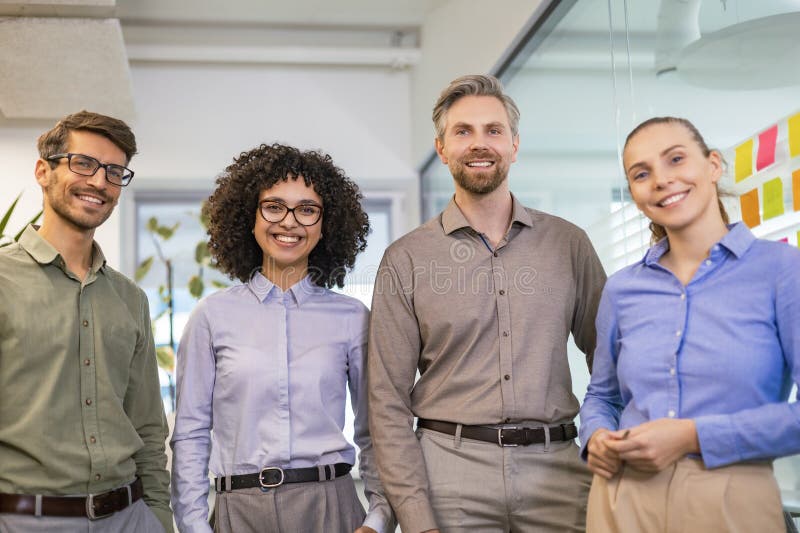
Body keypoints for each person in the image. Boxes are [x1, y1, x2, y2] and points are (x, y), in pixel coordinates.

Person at [368, 74, 607, 532]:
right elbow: (387, 402)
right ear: (442, 149)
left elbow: (611, 359)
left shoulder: (569, 244)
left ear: (514, 145)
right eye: (463, 131)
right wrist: (417, 518)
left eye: (493, 130)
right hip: (448, 478)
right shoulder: (406, 258)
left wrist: (604, 443)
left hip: (558, 473)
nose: (480, 144)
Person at [579, 116, 800, 532]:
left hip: (733, 498)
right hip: (620, 496)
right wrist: (596, 437)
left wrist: (693, 436)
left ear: (713, 166)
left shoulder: (782, 271)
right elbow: (602, 397)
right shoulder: (622, 290)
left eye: (676, 159)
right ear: (635, 194)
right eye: (641, 174)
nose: (661, 180)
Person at [170, 143, 395, 533]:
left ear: (326, 224)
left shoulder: (352, 317)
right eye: (274, 207)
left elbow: (375, 429)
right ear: (250, 218)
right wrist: (193, 527)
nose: (289, 222)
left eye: (307, 210)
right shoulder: (211, 317)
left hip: (332, 508)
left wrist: (378, 519)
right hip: (237, 512)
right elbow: (189, 434)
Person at [0, 111, 172, 532]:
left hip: (131, 519)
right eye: (84, 164)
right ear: (44, 170)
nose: (99, 181)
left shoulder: (130, 298)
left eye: (114, 172)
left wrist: (160, 521)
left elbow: (148, 426)